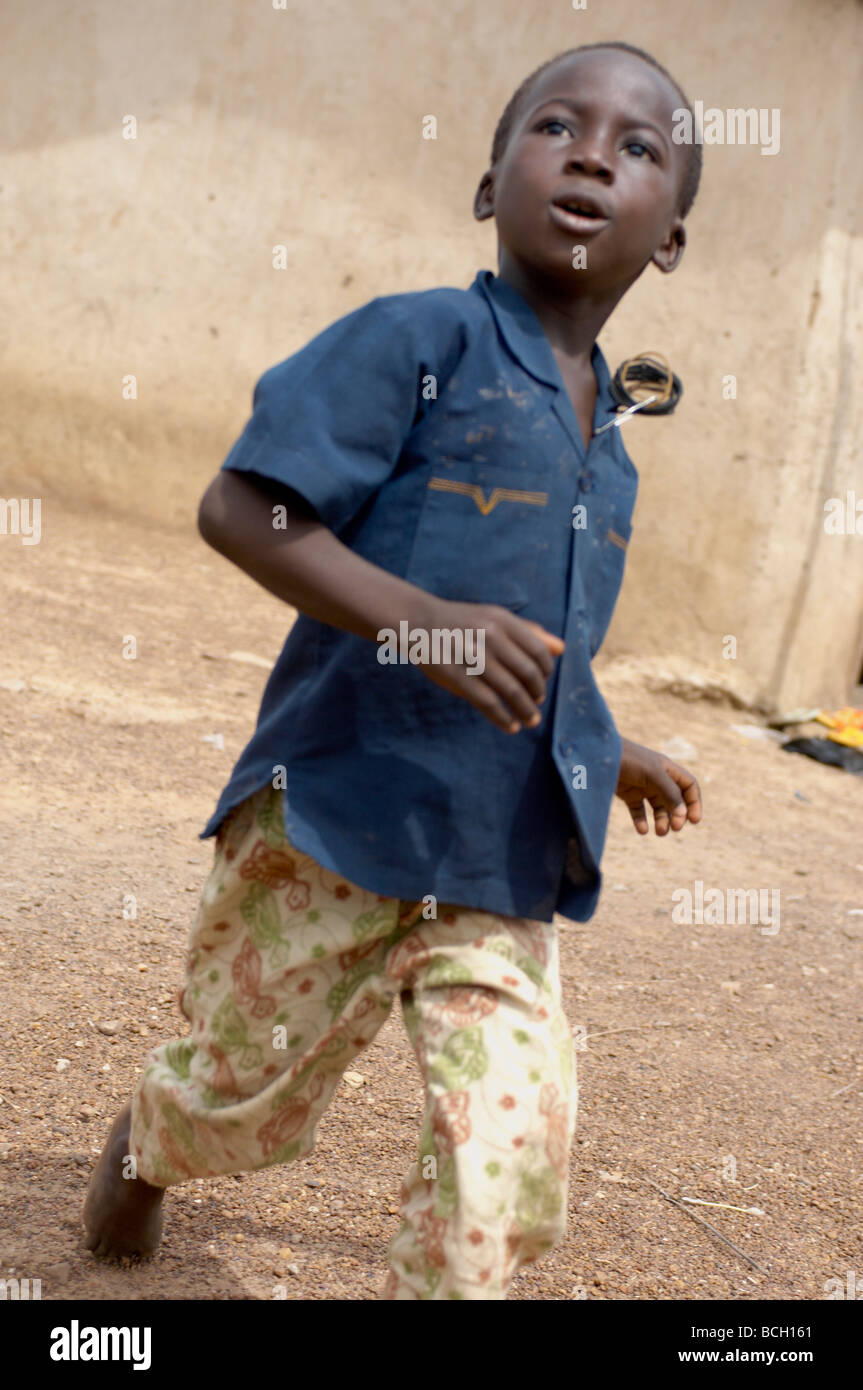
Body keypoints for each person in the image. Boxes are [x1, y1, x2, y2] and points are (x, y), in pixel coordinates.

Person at [84, 40, 703, 1300]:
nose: (591, 152)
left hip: (494, 862)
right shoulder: (421, 339)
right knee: (243, 1102)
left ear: (670, 239)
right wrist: (424, 623)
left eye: (636, 147)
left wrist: (607, 744)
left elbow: (545, 649)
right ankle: (152, 1147)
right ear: (489, 187)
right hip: (333, 817)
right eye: (555, 128)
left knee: (508, 1153)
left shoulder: (614, 452)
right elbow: (241, 505)